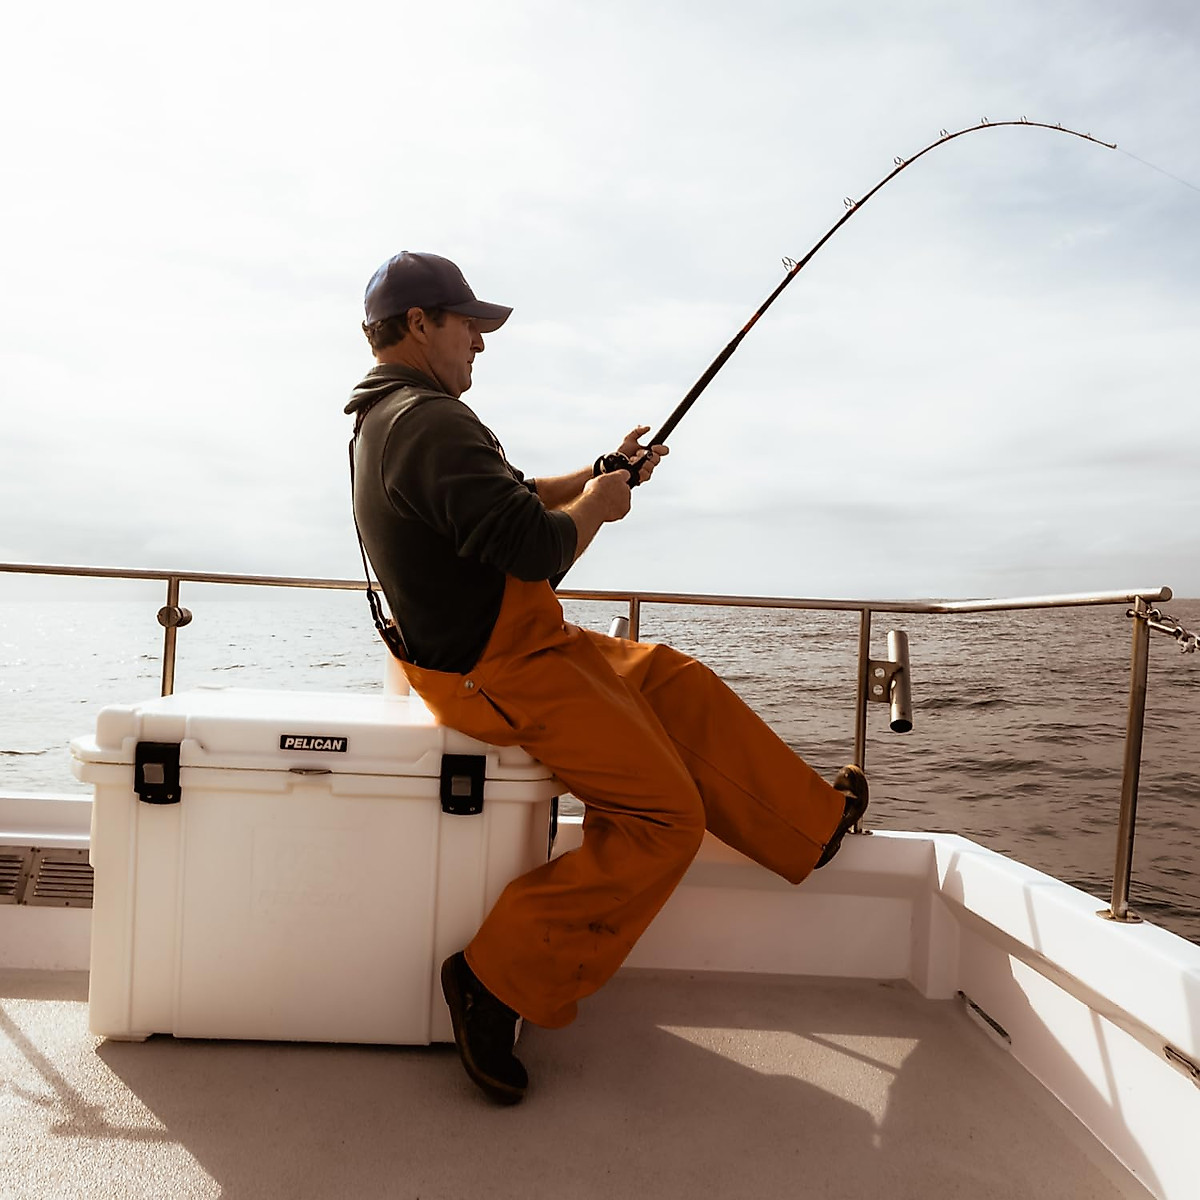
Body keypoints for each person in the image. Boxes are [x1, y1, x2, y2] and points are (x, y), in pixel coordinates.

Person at [346, 251, 868, 1106]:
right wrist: (600, 509)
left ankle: (810, 823)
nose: (480, 344)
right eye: (468, 326)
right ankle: (493, 978)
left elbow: (513, 499)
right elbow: (539, 547)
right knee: (666, 818)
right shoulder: (428, 422)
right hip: (494, 669)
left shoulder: (397, 418)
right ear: (418, 325)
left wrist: (597, 473)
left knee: (675, 680)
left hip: (517, 643)